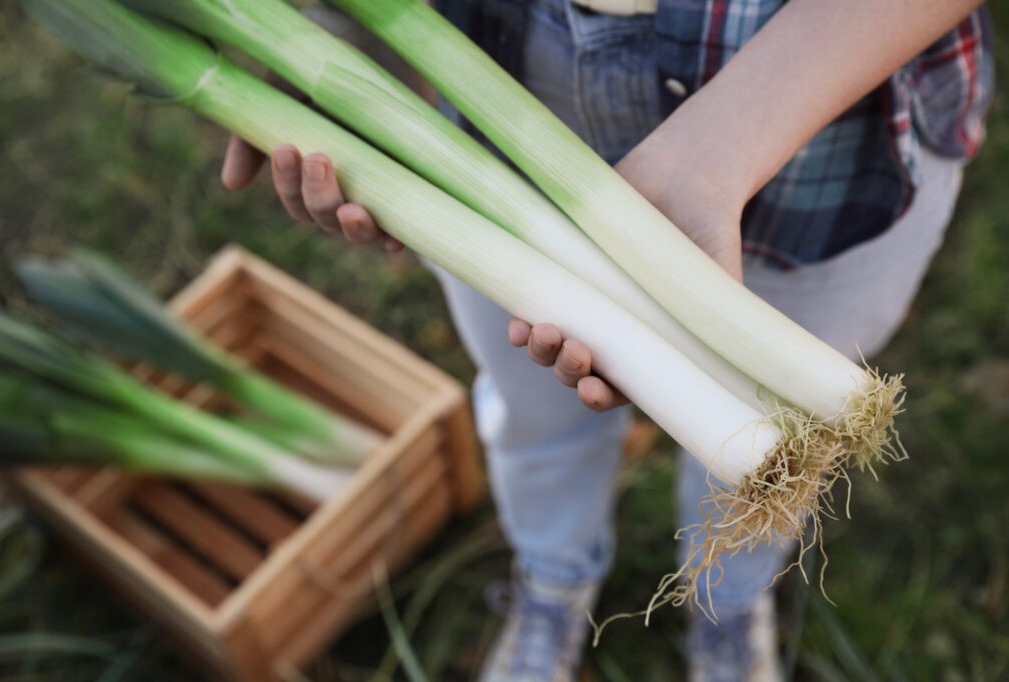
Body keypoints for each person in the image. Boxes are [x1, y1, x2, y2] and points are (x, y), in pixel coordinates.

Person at [220, 1, 994, 679]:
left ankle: (729, 602)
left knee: (776, 460)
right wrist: (323, 36)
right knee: (535, 411)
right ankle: (553, 580)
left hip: (834, 113)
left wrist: (714, 151)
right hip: (496, 102)